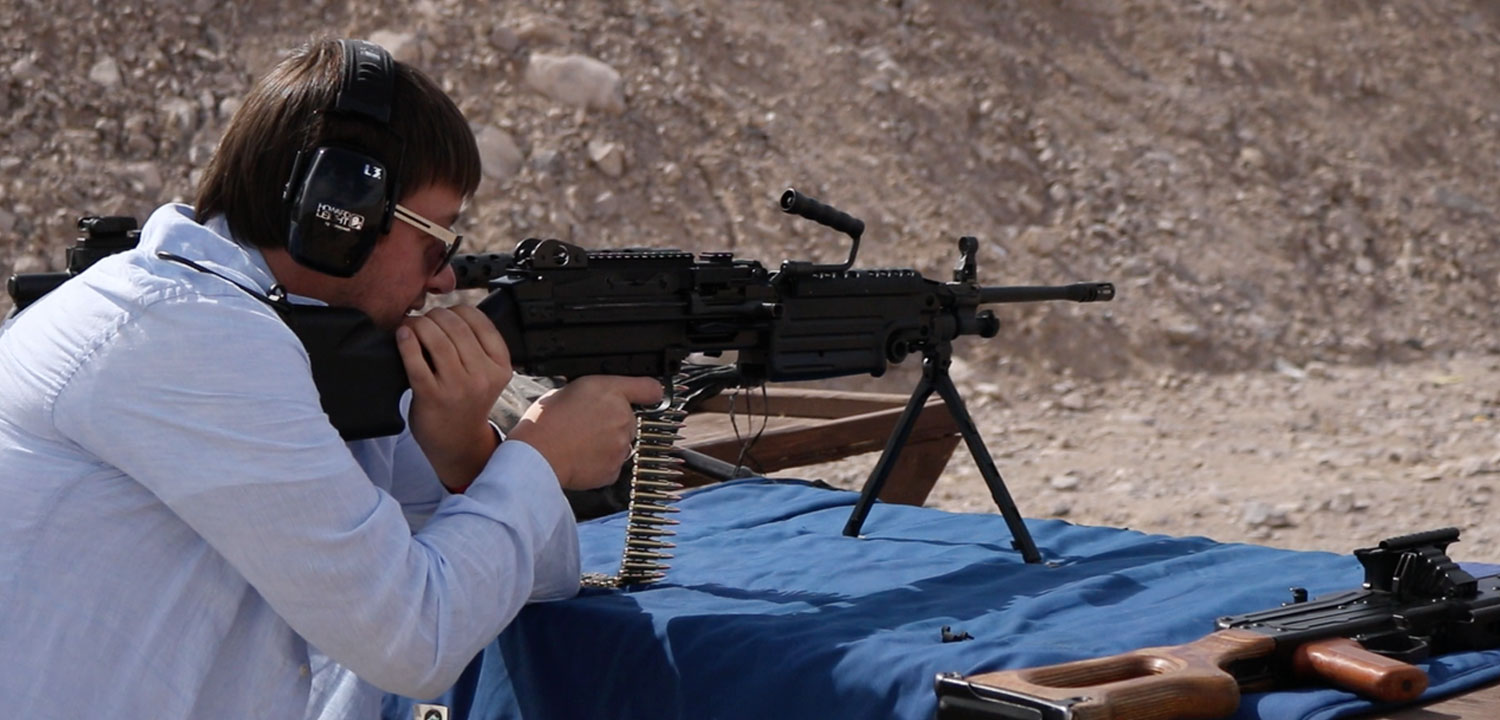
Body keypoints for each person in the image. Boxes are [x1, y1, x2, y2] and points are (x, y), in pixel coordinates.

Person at [0, 38, 661, 718]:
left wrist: (468, 452)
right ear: (338, 210)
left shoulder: (298, 337)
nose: (440, 278)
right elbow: (415, 640)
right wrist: (540, 459)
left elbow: (527, 581)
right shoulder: (190, 335)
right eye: (435, 241)